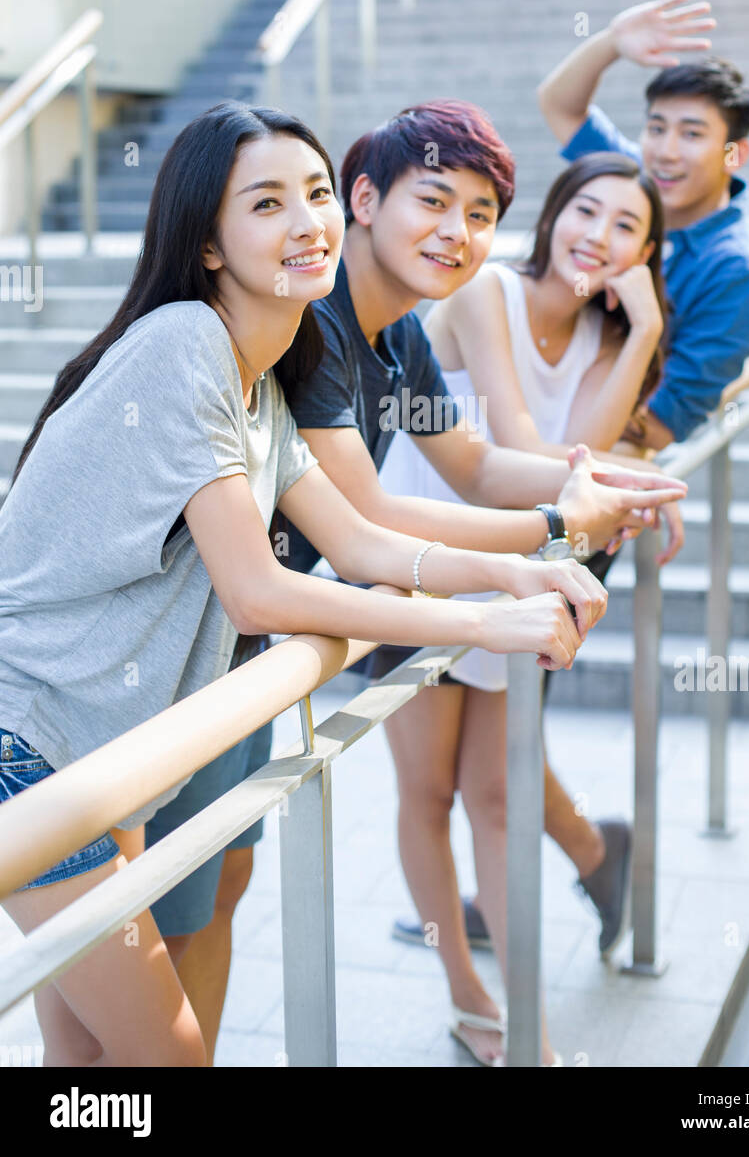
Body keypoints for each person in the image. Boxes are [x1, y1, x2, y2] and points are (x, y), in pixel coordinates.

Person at [0, 101, 615, 1068]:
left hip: (100, 755)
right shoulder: (183, 346)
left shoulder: (265, 369)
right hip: (31, 748)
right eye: (268, 204)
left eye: (318, 194)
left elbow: (361, 539)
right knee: (168, 1059)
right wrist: (482, 625)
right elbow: (259, 593)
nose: (308, 223)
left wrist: (518, 568)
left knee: (82, 1063)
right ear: (207, 243)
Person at [143, 99, 688, 1068]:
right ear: (363, 201)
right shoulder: (303, 328)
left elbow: (471, 465)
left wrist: (592, 481)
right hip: (169, 649)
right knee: (150, 939)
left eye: (480, 214)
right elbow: (366, 525)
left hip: (238, 653)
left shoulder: (394, 336)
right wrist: (556, 528)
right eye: (433, 202)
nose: (457, 232)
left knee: (221, 889)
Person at [375, 150, 672, 1062]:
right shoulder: (484, 293)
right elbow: (522, 448)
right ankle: (469, 995)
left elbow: (575, 453)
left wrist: (642, 330)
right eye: (588, 211)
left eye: (629, 227)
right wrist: (631, 483)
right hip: (425, 554)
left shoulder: (607, 336)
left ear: (646, 254)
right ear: (553, 215)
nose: (600, 236)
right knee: (428, 793)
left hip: (518, 563)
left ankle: (531, 1032)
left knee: (498, 797)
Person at [536, 0, 749, 453]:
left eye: (691, 134)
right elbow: (558, 104)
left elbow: (663, 422)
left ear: (734, 153)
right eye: (657, 126)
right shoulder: (628, 182)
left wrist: (543, 404)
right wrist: (609, 43)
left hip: (581, 447)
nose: (665, 152)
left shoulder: (736, 275)